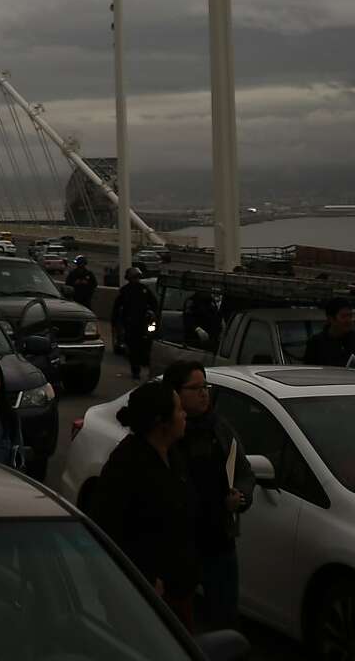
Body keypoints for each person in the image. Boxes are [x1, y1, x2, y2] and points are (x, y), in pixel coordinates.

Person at [86, 381, 199, 630]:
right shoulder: (126, 465)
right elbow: (107, 529)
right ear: (161, 422)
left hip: (178, 589)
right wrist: (145, 577)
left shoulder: (174, 455)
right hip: (138, 597)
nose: (184, 415)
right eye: (179, 410)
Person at [162, 362, 253, 631]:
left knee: (224, 622)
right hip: (181, 546)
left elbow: (244, 472)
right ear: (176, 393)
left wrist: (240, 497)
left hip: (219, 543)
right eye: (195, 388)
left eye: (205, 387)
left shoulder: (220, 429)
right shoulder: (166, 436)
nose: (204, 394)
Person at [113, 265, 156, 381]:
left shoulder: (144, 290)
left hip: (143, 323)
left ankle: (141, 366)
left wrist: (152, 314)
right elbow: (116, 309)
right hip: (130, 324)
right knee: (132, 347)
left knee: (143, 345)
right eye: (134, 278)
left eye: (137, 278)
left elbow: (154, 304)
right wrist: (117, 324)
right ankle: (135, 369)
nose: (136, 280)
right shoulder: (125, 291)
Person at [300, 299, 355, 367]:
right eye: (343, 316)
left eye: (350, 316)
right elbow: (308, 371)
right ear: (331, 319)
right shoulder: (316, 343)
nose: (348, 320)